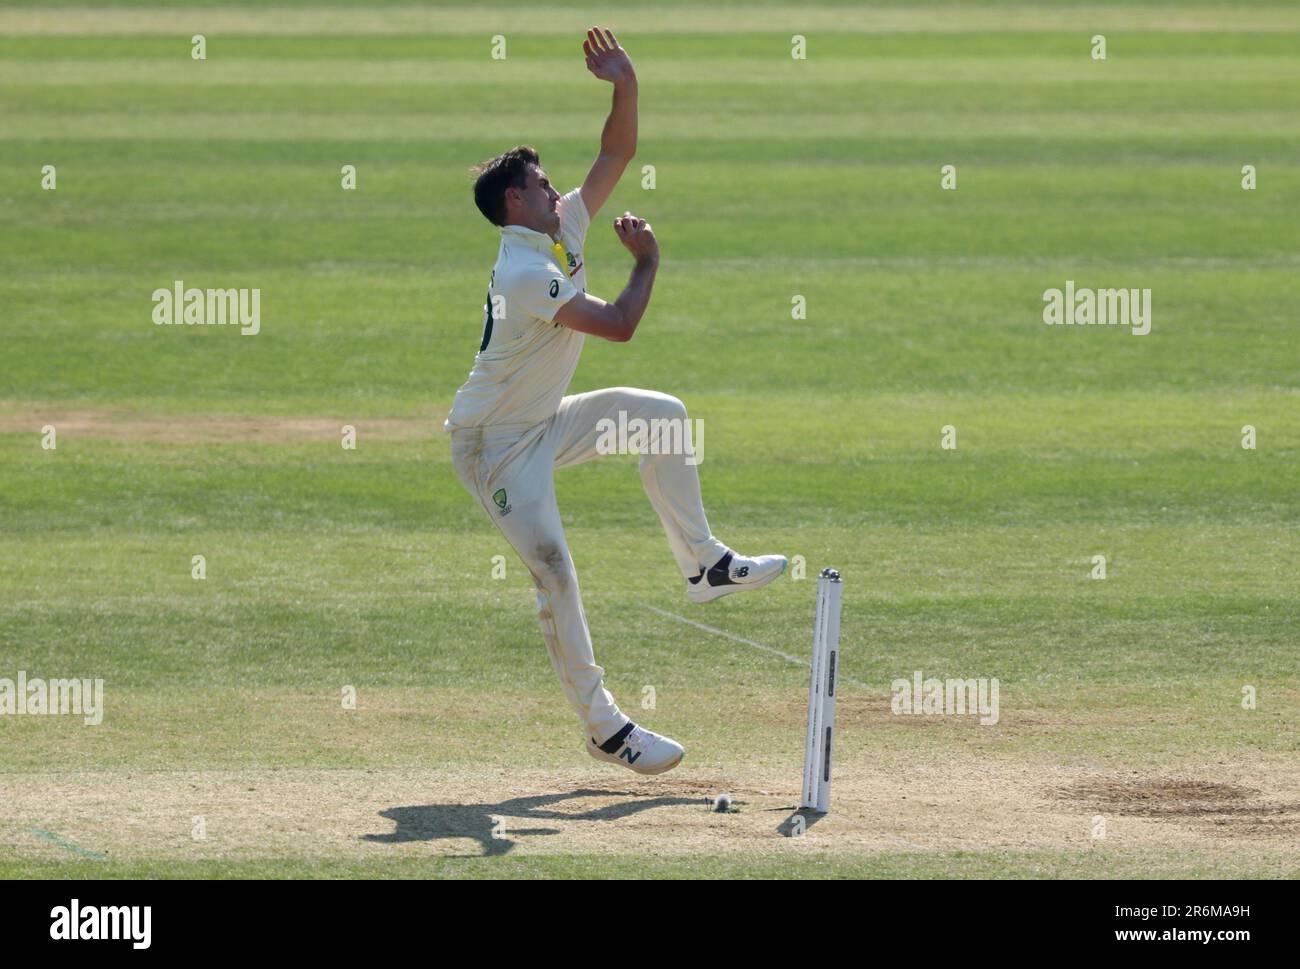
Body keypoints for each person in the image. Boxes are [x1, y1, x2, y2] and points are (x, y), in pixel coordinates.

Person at [445, 28, 786, 775]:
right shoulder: (523, 272)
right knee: (555, 572)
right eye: (540, 184)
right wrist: (650, 262)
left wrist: (625, 83)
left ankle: (705, 565)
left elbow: (614, 155)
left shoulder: (556, 227)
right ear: (514, 201)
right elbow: (621, 326)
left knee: (662, 418)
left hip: (542, 421)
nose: (554, 189)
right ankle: (605, 727)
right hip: (493, 444)